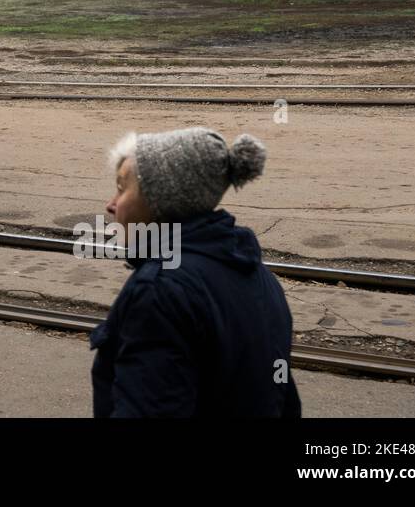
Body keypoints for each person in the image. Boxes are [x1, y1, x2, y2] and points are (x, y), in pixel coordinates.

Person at [90, 127, 302, 417]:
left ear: (160, 200)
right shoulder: (256, 274)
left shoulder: (160, 292)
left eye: (121, 187)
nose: (111, 204)